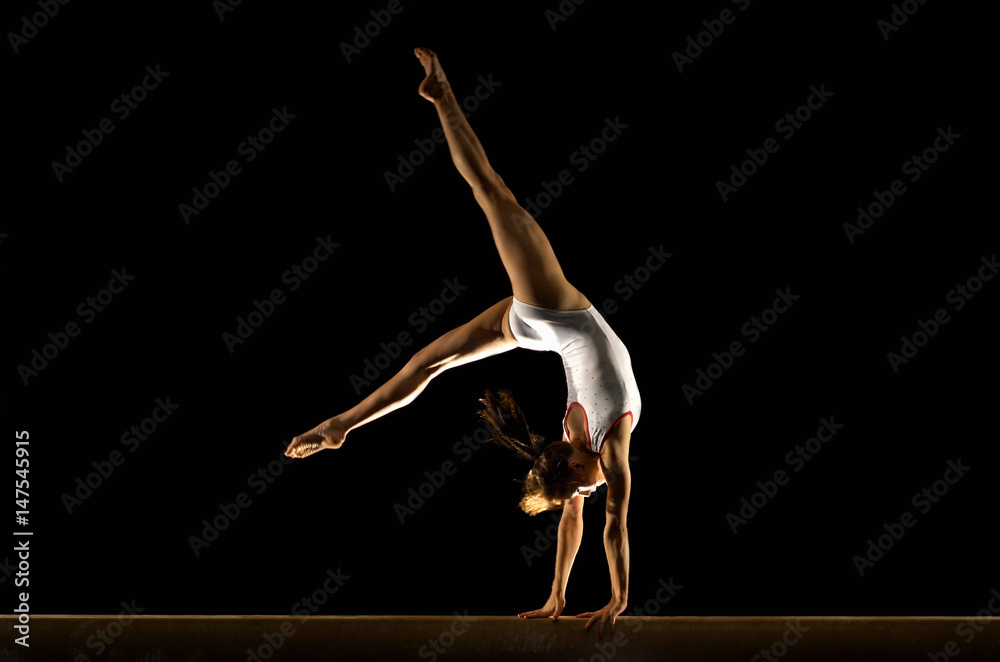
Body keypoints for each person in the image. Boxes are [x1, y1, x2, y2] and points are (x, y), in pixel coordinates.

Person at [285, 47, 640, 637]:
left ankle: (343, 423)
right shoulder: (599, 450)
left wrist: (588, 597)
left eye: (582, 480)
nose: (593, 483)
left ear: (569, 455)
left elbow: (599, 523)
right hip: (540, 324)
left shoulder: (593, 454)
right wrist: (587, 598)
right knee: (434, 348)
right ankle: (344, 423)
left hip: (548, 316)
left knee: (489, 207)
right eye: (585, 483)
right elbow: (596, 523)